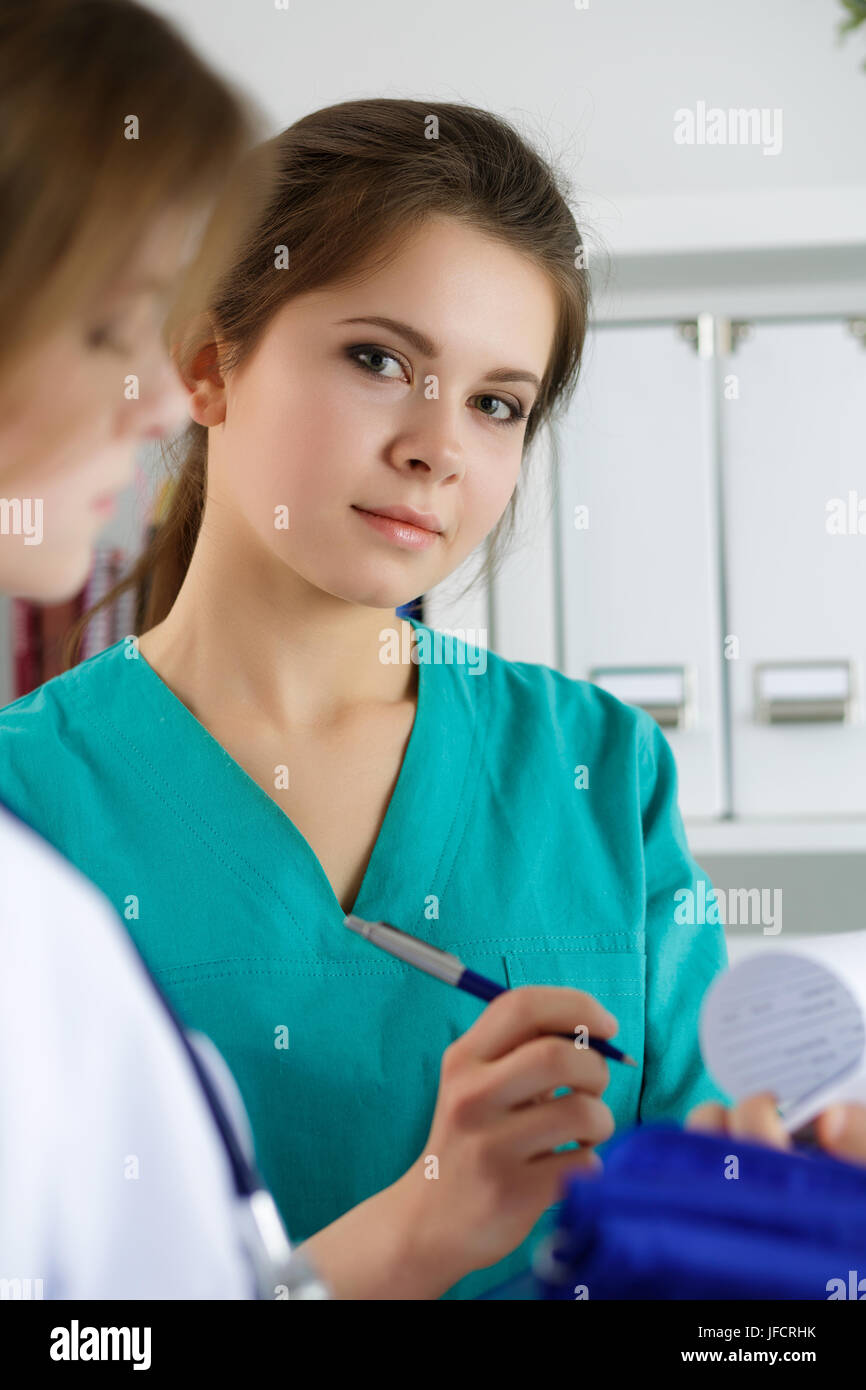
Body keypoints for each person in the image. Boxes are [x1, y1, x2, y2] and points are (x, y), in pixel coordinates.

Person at [0, 92, 735, 1301]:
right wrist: (405, 1236)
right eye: (380, 359)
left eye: (496, 402)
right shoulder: (27, 804)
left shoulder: (599, 765)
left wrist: (787, 1209)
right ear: (206, 364)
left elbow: (701, 1234)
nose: (437, 445)